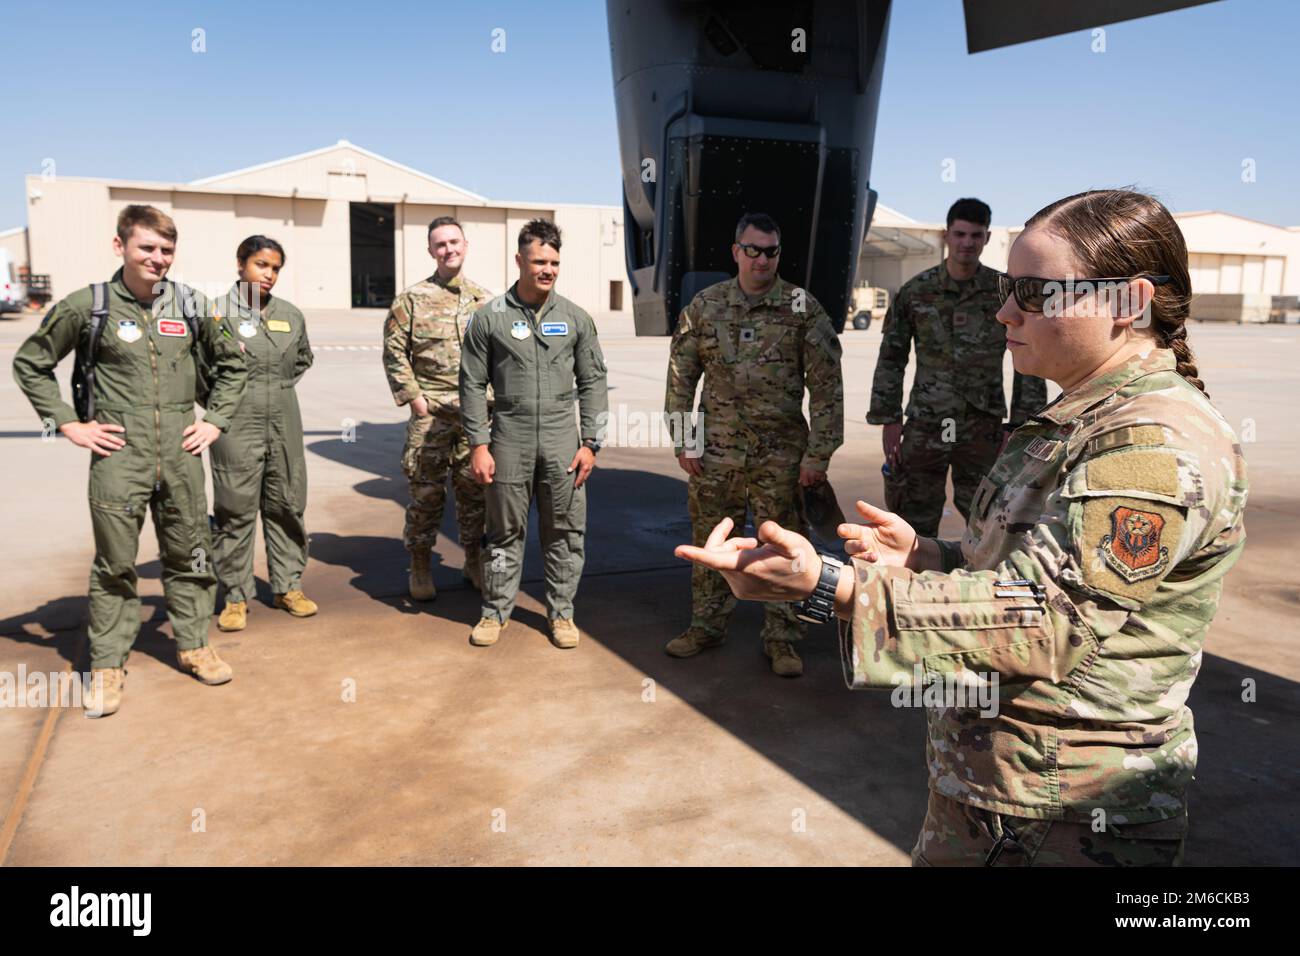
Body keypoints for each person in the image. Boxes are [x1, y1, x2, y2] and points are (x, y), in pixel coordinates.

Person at [676, 190, 1248, 866]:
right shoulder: (1088, 419)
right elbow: (1024, 571)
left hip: (1061, 815)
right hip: (1009, 796)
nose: (1006, 309)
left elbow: (1043, 620)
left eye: (1034, 292)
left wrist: (830, 584)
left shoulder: (1152, 445)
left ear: (1128, 303)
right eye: (1009, 288)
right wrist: (924, 555)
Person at [12, 205, 248, 717]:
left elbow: (234, 363)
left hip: (182, 455)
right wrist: (67, 423)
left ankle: (192, 644)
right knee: (115, 565)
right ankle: (107, 664)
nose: (157, 258)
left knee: (191, 554)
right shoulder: (88, 306)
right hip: (120, 456)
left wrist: (216, 420)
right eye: (147, 248)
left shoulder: (193, 306)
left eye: (166, 250)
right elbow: (31, 364)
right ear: (120, 247)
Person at [664, 212, 843, 677]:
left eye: (771, 251)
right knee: (711, 542)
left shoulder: (803, 308)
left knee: (785, 547)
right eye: (753, 250)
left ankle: (782, 638)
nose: (762, 259)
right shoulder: (706, 306)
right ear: (736, 252)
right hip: (716, 454)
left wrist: (817, 455)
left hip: (781, 457)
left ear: (779, 255)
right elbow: (682, 377)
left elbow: (826, 387)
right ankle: (706, 625)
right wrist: (686, 441)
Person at [458, 219, 608, 649]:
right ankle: (495, 612)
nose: (548, 269)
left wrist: (590, 443)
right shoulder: (490, 318)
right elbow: (470, 383)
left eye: (555, 262)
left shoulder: (576, 318)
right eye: (539, 260)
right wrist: (479, 444)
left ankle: (561, 613)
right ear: (519, 260)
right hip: (509, 433)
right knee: (503, 530)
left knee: (564, 530)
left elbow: (593, 382)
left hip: (564, 435)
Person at [868, 198, 1047, 536]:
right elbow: (891, 358)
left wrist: (1019, 426)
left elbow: (1029, 359)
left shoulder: (1004, 294)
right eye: (960, 234)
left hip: (982, 428)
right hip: (925, 425)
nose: (967, 243)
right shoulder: (916, 292)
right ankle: (910, 584)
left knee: (990, 523)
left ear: (987, 238)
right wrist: (888, 418)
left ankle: (978, 587)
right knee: (913, 520)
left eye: (975, 236)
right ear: (946, 236)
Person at [210, 236, 316, 632]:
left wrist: (276, 388)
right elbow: (201, 371)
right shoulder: (216, 314)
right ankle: (236, 596)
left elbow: (302, 357)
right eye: (260, 265)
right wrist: (225, 406)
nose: (268, 274)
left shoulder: (290, 314)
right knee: (235, 509)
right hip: (235, 419)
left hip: (284, 416)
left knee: (287, 501)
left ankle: (288, 585)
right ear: (240, 264)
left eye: (275, 268)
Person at [383, 216, 491, 600]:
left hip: (475, 417)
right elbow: (394, 352)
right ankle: (421, 565)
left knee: (475, 493)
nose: (449, 250)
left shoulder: (485, 301)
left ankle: (474, 560)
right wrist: (415, 399)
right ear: (431, 251)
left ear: (466, 245)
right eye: (440, 244)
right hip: (431, 416)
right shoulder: (411, 299)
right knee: (426, 495)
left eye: (454, 242)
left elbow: (498, 358)